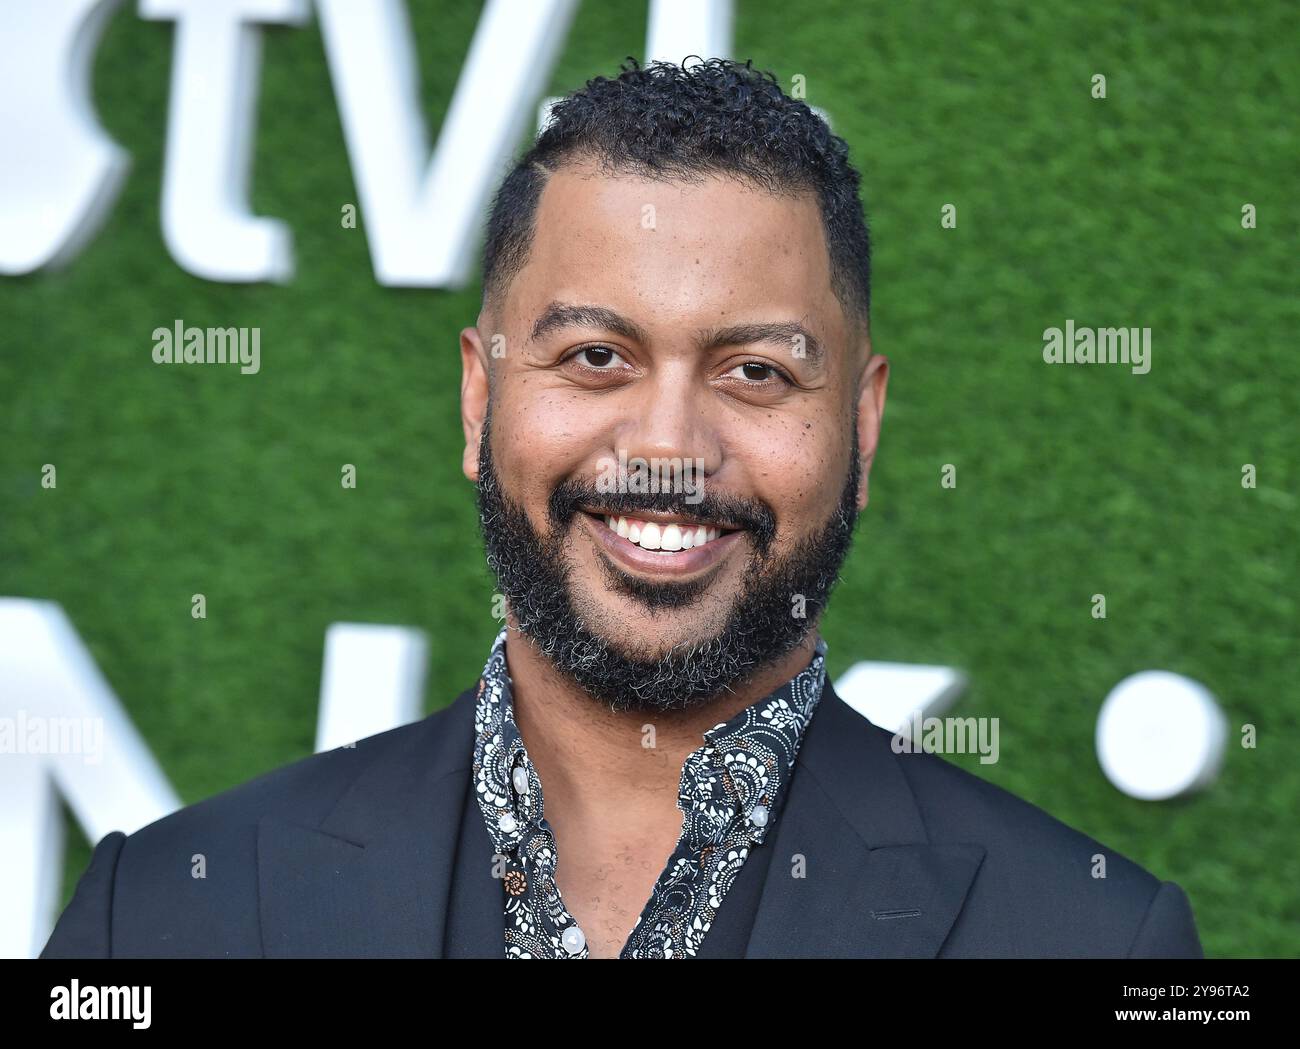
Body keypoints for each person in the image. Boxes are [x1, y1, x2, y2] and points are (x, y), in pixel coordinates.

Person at [41, 57, 1202, 959]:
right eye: (596, 355)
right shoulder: (161, 912)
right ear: (480, 395)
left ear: (861, 426)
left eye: (755, 372)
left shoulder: (1091, 938)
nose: (665, 447)